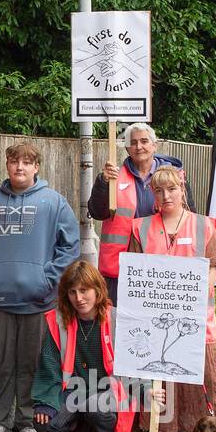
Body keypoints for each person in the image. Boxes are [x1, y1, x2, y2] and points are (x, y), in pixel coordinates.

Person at [0, 141, 80, 432]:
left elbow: (70, 247)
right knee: (1, 361)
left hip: (39, 301)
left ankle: (28, 422)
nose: (20, 167)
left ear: (36, 167)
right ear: (7, 164)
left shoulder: (54, 203)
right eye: (14, 161)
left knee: (32, 362)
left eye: (27, 162)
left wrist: (48, 280)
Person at [127, 166, 216, 432]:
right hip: (156, 323)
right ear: (153, 195)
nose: (166, 196)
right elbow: (136, 277)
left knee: (207, 379)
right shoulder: (141, 228)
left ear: (182, 189)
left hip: (197, 320)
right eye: (159, 191)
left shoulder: (204, 226)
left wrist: (186, 302)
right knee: (164, 380)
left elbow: (212, 274)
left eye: (172, 189)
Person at [31, 261, 143, 432]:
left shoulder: (118, 320)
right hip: (74, 391)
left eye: (84, 290)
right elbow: (49, 363)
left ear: (98, 289)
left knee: (95, 406)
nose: (79, 298)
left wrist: (147, 389)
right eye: (72, 292)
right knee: (44, 422)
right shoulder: (60, 321)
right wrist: (46, 401)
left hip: (110, 391)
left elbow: (135, 362)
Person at [88, 122, 194, 303]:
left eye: (144, 141)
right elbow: (97, 212)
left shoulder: (174, 177)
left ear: (154, 145)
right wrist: (103, 182)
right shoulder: (114, 177)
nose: (139, 146)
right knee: (120, 321)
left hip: (164, 267)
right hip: (121, 267)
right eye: (133, 142)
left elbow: (189, 217)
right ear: (127, 148)